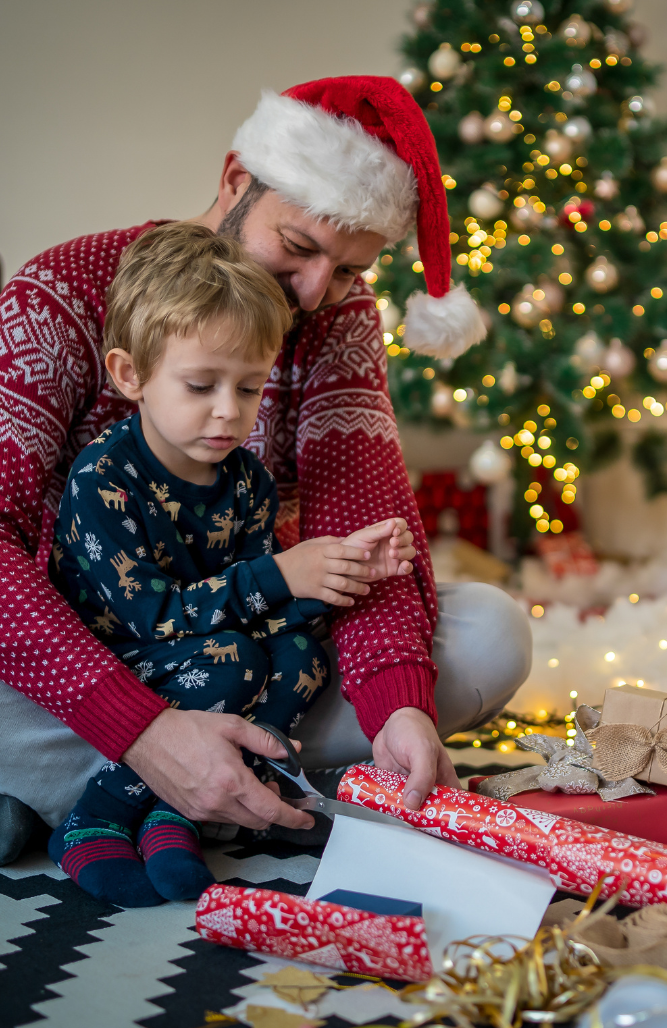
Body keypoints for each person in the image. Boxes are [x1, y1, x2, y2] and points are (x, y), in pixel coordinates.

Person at [0, 76, 532, 863]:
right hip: (83, 646)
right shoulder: (64, 290)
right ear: (236, 183)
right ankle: (192, 779)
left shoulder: (336, 322)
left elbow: (362, 526)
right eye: (300, 247)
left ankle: (101, 789)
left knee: (492, 634)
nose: (316, 292)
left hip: (240, 644)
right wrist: (142, 730)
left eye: (350, 270)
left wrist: (398, 708)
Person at [48, 221, 422, 906]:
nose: (229, 414)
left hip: (208, 643)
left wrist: (344, 574)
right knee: (235, 660)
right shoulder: (103, 479)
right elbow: (154, 616)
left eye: (249, 389)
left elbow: (259, 601)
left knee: (299, 652)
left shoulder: (246, 481)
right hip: (119, 658)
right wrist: (283, 575)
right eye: (201, 386)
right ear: (130, 374)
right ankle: (94, 815)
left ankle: (178, 811)